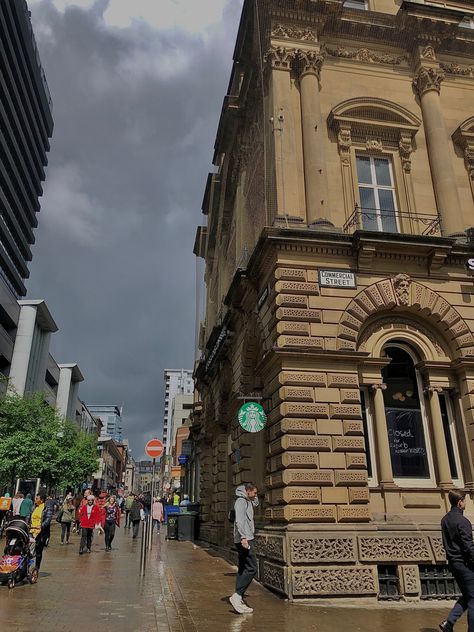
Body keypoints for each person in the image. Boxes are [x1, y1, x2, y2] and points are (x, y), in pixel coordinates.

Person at [440, 490, 474, 632]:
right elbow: (468, 547)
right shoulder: (463, 521)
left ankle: (448, 623)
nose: (465, 503)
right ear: (460, 502)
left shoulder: (445, 519)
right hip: (465, 565)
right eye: (464, 500)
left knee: (468, 595)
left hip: (453, 564)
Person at [229, 482, 259, 615]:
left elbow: (256, 503)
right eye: (254, 493)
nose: (256, 495)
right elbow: (239, 521)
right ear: (248, 491)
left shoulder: (248, 500)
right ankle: (237, 595)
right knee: (252, 568)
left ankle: (238, 597)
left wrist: (253, 497)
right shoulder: (241, 501)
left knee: (242, 568)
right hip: (245, 539)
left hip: (245, 538)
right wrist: (243, 538)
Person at [30, 490, 53, 573]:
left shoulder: (47, 507)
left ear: (42, 500)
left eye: (37, 498)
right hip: (32, 530)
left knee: (38, 550)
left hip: (41, 532)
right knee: (27, 549)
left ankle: (37, 567)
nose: (35, 500)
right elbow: (30, 516)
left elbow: (48, 519)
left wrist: (41, 526)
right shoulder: (34, 507)